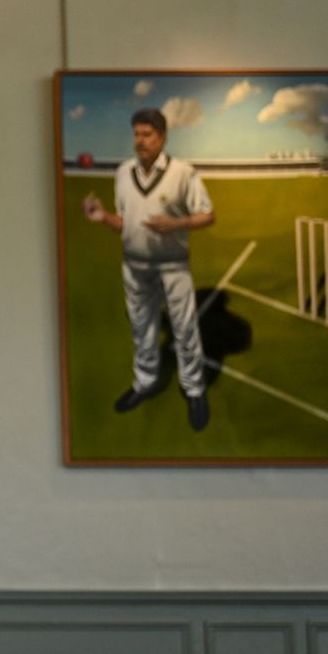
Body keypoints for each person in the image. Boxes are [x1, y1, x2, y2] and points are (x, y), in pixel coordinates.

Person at [83, 107, 215, 430]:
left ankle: (194, 388)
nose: (140, 141)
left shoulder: (183, 172)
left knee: (184, 330)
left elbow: (207, 215)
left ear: (163, 137)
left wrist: (176, 223)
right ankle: (144, 382)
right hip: (135, 265)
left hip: (173, 265)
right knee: (141, 329)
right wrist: (103, 218)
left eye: (147, 135)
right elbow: (126, 223)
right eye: (136, 134)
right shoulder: (123, 172)